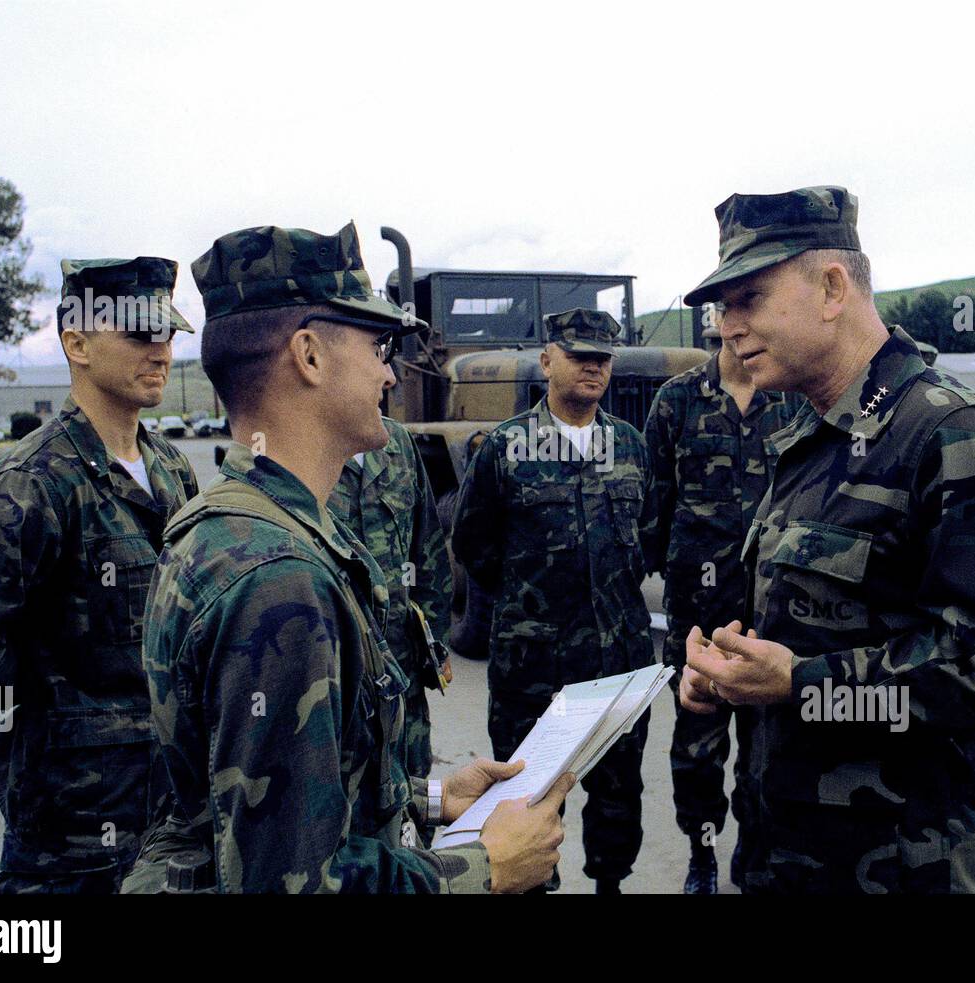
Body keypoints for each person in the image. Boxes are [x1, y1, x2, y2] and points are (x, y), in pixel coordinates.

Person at [126, 223, 569, 894]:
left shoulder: (229, 526)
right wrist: (486, 868)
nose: (390, 371)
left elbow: (251, 804)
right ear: (308, 354)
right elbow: (291, 882)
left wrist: (427, 797)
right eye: (377, 344)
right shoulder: (279, 580)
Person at [678, 186, 975, 894]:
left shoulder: (950, 433)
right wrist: (734, 672)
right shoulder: (809, 438)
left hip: (909, 865)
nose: (727, 327)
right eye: (722, 307)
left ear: (831, 289)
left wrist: (802, 684)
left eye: (748, 299)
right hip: (789, 853)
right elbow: (811, 621)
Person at [0, 257, 199, 893]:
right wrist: (52, 716)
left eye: (168, 335)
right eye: (139, 335)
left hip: (169, 821)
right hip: (69, 842)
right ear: (77, 343)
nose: (160, 352)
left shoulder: (173, 470)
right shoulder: (30, 486)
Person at [452, 308, 658, 894]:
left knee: (619, 793)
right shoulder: (506, 446)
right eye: (579, 356)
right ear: (547, 362)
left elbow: (646, 535)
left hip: (618, 662)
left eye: (602, 359)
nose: (592, 367)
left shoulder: (631, 446)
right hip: (533, 670)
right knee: (528, 798)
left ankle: (610, 883)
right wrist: (533, 605)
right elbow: (474, 545)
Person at [642, 341, 791, 893]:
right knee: (698, 750)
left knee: (767, 747)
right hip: (699, 617)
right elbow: (655, 503)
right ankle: (701, 853)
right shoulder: (677, 400)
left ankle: (754, 858)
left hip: (772, 612)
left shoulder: (791, 399)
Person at [332, 415, 453, 785]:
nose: (389, 377)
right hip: (337, 685)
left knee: (415, 800)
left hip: (404, 678)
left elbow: (428, 550)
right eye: (375, 355)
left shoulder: (397, 442)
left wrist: (434, 647)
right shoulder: (296, 441)